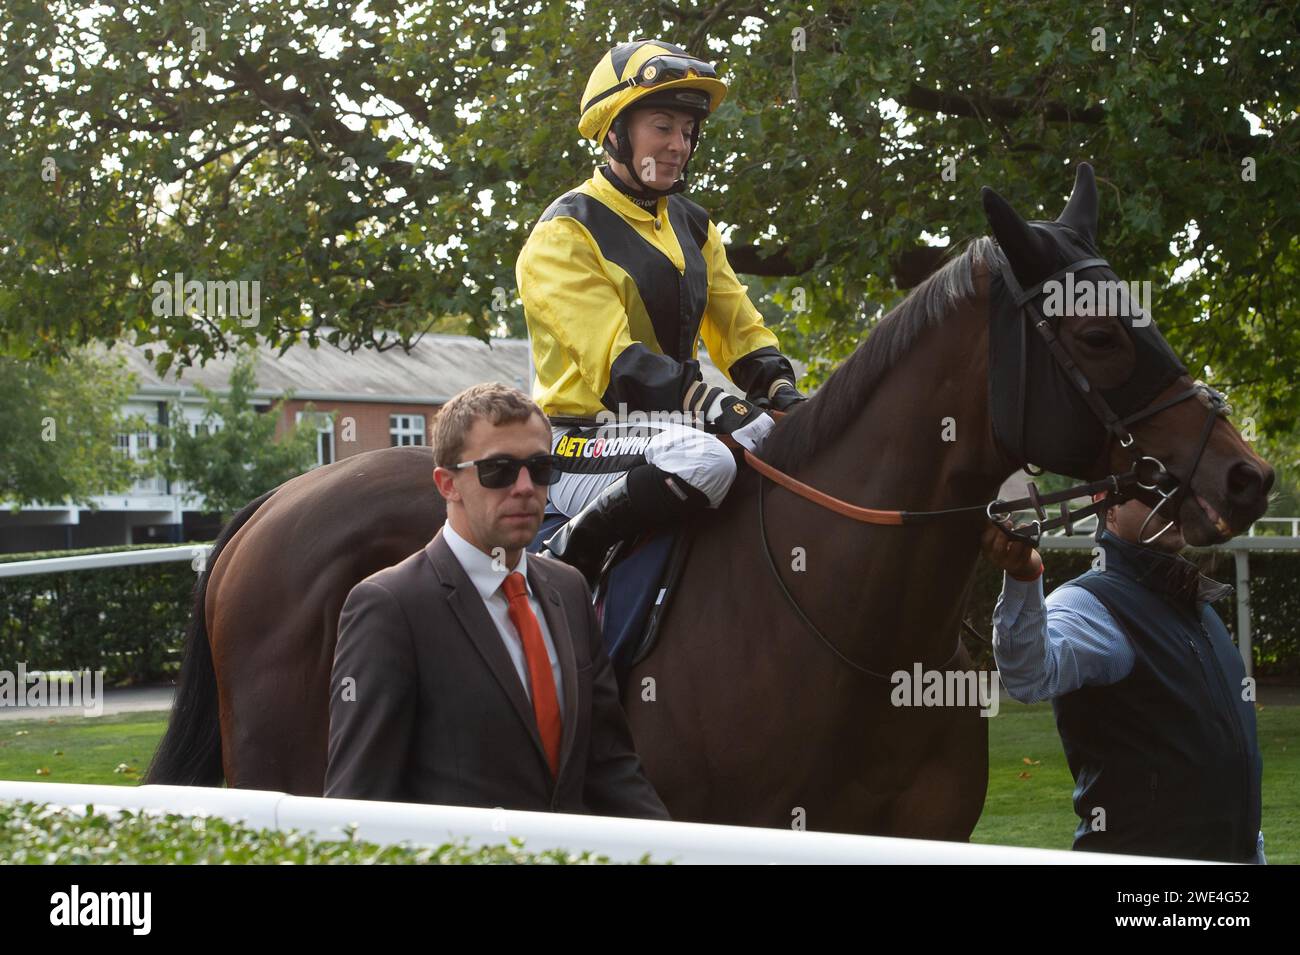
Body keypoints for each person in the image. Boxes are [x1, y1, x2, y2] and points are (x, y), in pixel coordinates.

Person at [515, 38, 807, 585]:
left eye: (688, 132)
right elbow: (617, 363)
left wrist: (781, 392)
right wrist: (711, 402)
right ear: (615, 129)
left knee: (788, 443)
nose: (679, 144)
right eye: (663, 126)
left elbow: (739, 328)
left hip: (670, 428)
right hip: (580, 439)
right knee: (710, 462)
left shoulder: (694, 225)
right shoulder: (565, 232)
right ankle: (558, 564)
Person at [324, 383, 669, 819]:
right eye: (499, 470)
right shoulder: (389, 607)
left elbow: (611, 768)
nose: (525, 488)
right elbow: (358, 805)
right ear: (447, 483)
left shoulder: (570, 590)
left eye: (541, 468)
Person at [982, 494, 1265, 863]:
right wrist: (1024, 576)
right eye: (1151, 493)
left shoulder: (1194, 602)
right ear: (1108, 508)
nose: (1170, 503)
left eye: (1176, 490)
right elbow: (1029, 675)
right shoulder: (1087, 601)